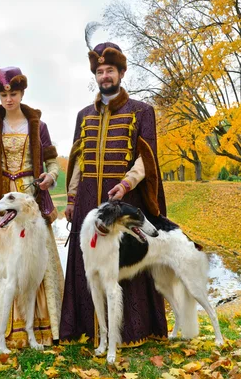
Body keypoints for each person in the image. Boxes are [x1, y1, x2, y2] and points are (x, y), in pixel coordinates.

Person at [60, 41, 168, 347]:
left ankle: (131, 332)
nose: (104, 76)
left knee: (127, 266)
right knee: (87, 266)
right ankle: (88, 330)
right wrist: (70, 199)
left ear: (122, 72)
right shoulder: (84, 115)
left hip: (124, 202)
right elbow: (78, 160)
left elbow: (146, 159)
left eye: (110, 70)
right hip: (87, 202)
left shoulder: (142, 112)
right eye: (99, 71)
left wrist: (127, 184)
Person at [0, 54, 64, 348]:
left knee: (36, 258)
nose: (8, 99)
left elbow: (52, 162)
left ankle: (45, 329)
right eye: (4, 94)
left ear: (22, 93)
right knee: (0, 259)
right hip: (1, 200)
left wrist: (51, 177)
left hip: (31, 202)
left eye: (14, 94)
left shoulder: (37, 125)